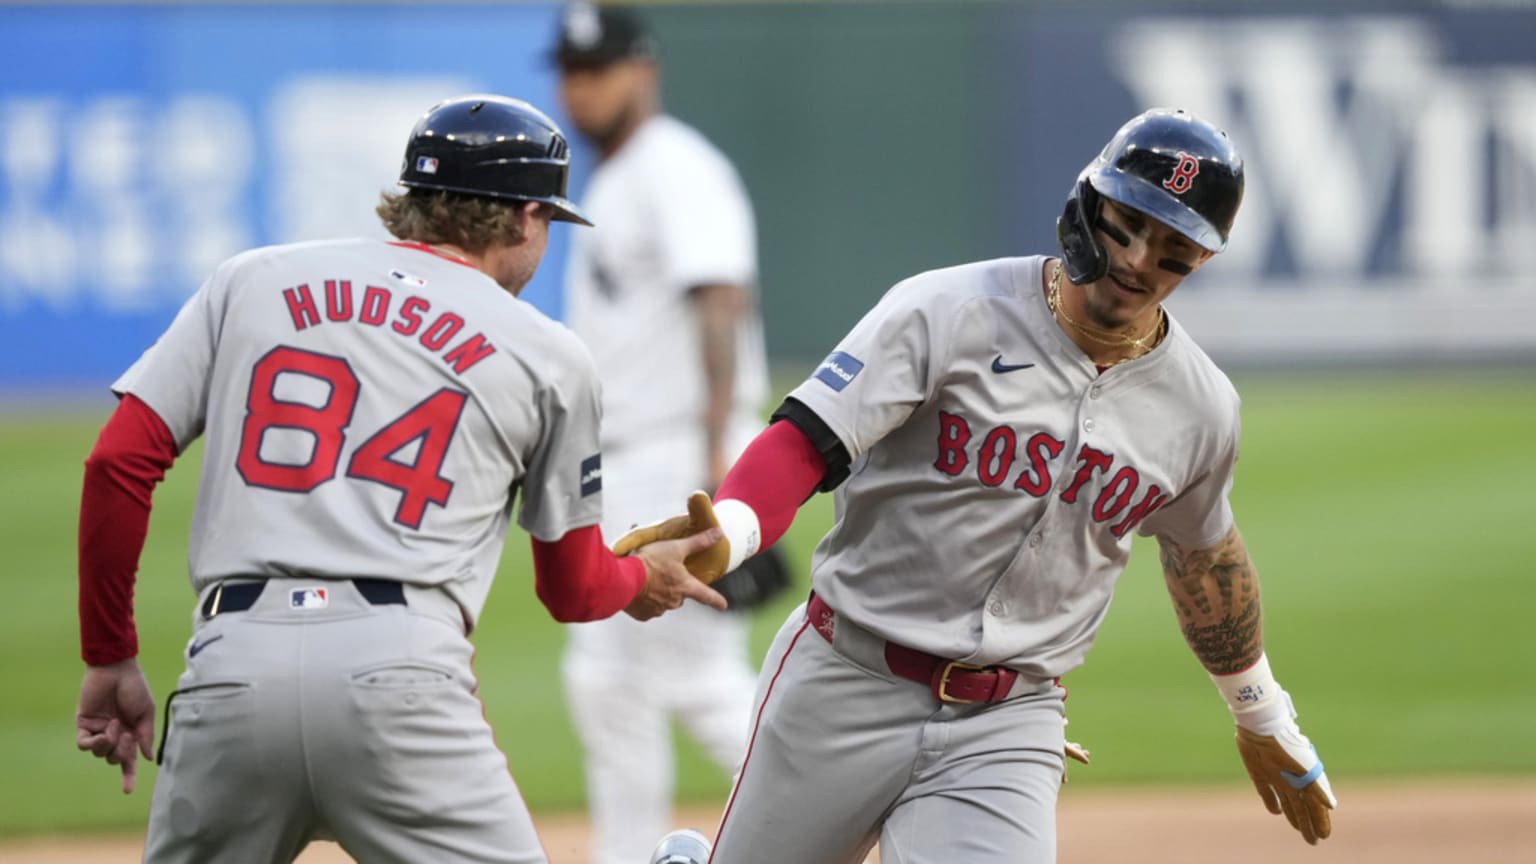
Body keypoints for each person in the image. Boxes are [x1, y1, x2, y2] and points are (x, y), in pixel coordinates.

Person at [618, 108, 1338, 863]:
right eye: (1129, 223)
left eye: (1173, 249)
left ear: (1203, 259)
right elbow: (807, 440)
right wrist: (732, 530)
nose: (1138, 260)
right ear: (1089, 199)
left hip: (1008, 720)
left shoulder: (1201, 406)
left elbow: (1203, 557)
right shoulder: (948, 311)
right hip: (847, 678)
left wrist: (1261, 713)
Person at [71, 93, 727, 864]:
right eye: (547, 218)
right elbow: (574, 590)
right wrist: (641, 576)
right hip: (402, 682)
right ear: (521, 218)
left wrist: (109, 653)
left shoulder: (249, 281)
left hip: (230, 669)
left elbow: (118, 463)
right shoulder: (548, 353)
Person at [548, 5, 784, 864]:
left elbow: (719, 295)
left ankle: (840, 824)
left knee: (693, 678)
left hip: (684, 454)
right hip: (637, 457)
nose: (583, 86)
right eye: (573, 71)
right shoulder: (615, 176)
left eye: (600, 68)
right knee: (611, 683)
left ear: (642, 70)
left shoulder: (675, 166)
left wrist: (720, 455)